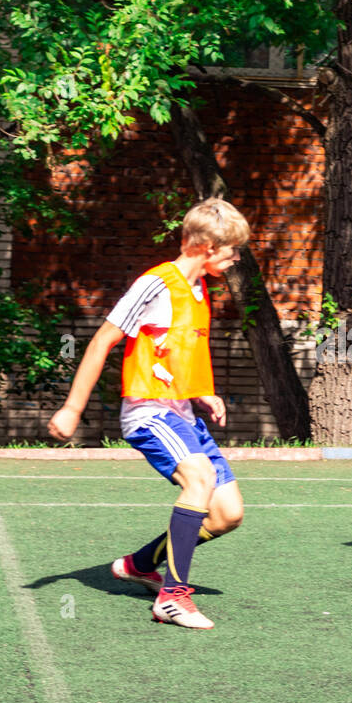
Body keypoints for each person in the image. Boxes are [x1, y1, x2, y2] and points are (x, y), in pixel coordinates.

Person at [47, 198, 250, 629]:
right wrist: (71, 408)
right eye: (232, 249)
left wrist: (202, 394)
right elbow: (102, 342)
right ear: (206, 246)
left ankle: (141, 564)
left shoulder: (199, 291)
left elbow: (176, 356)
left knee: (228, 513)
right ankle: (172, 598)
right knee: (200, 478)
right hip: (148, 412)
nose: (236, 258)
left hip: (181, 413)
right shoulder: (155, 284)